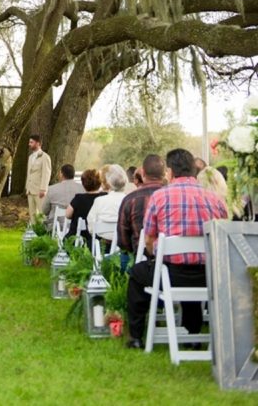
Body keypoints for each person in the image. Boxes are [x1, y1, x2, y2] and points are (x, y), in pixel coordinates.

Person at [126, 148, 228, 349]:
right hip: (208, 276)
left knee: (138, 274)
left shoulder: (160, 197)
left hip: (170, 275)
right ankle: (193, 334)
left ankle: (136, 336)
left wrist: (155, 253)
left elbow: (149, 238)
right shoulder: (215, 199)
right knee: (193, 272)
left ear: (170, 171)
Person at [117, 154, 165, 255]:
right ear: (164, 174)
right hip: (170, 257)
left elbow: (123, 240)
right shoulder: (173, 197)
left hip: (139, 256)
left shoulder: (129, 199)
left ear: (143, 173)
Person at [64, 169, 107, 245]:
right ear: (100, 183)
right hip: (99, 240)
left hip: (77, 239)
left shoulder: (79, 198)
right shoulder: (105, 197)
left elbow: (67, 215)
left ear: (83, 183)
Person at [86, 164, 128, 241]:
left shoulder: (99, 201)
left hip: (101, 244)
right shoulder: (129, 200)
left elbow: (91, 226)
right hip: (123, 242)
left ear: (108, 182)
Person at [41, 164, 80, 232]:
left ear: (61, 174)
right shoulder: (82, 189)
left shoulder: (52, 189)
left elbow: (45, 210)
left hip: (55, 227)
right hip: (76, 227)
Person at [25, 135, 52, 223]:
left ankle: (42, 230)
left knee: (41, 213)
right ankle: (33, 229)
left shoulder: (45, 157)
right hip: (30, 190)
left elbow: (46, 174)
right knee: (32, 213)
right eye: (29, 142)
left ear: (38, 143)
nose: (29, 144)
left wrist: (43, 189)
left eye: (31, 142)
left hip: (39, 190)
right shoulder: (30, 157)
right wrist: (27, 187)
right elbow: (29, 173)